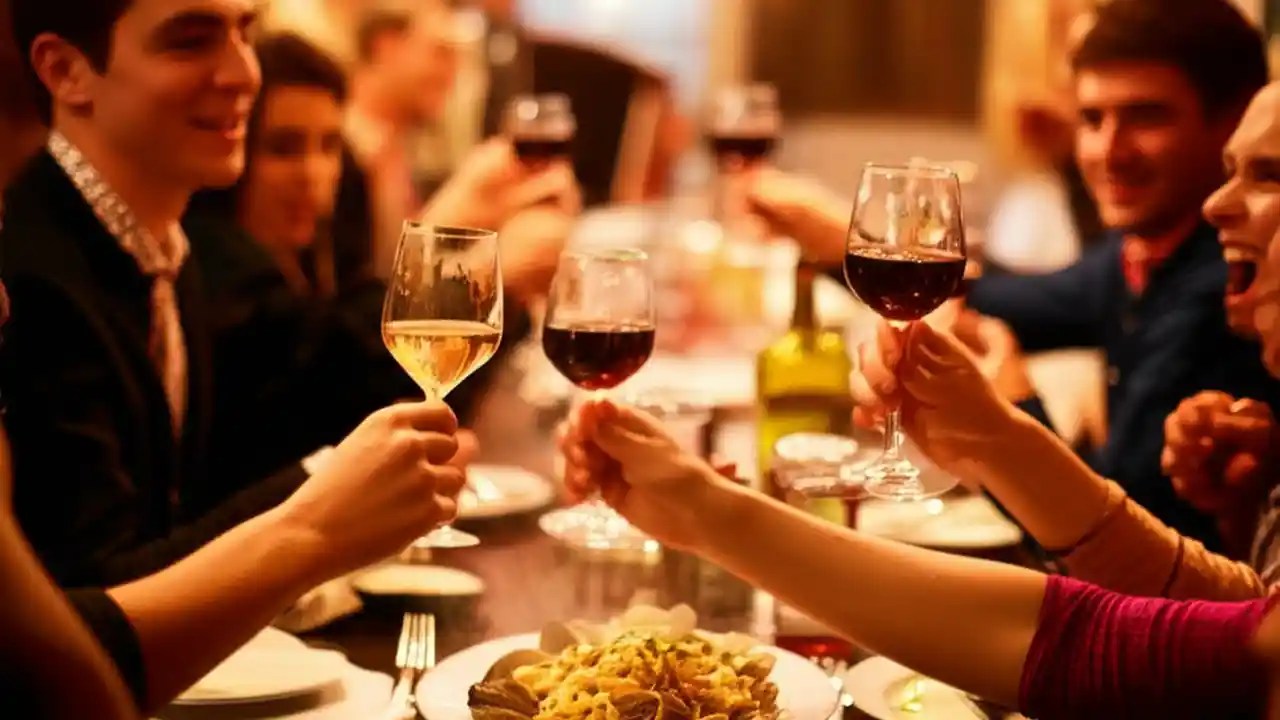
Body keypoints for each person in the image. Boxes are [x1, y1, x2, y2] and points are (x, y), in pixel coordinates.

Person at [748, 0, 1280, 550]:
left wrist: (1007, 412)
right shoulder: (1140, 256)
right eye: (1091, 120)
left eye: (1146, 117)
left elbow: (1123, 544)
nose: (1107, 151)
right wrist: (845, 241)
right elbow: (1012, 299)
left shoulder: (1231, 289)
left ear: (1234, 122)